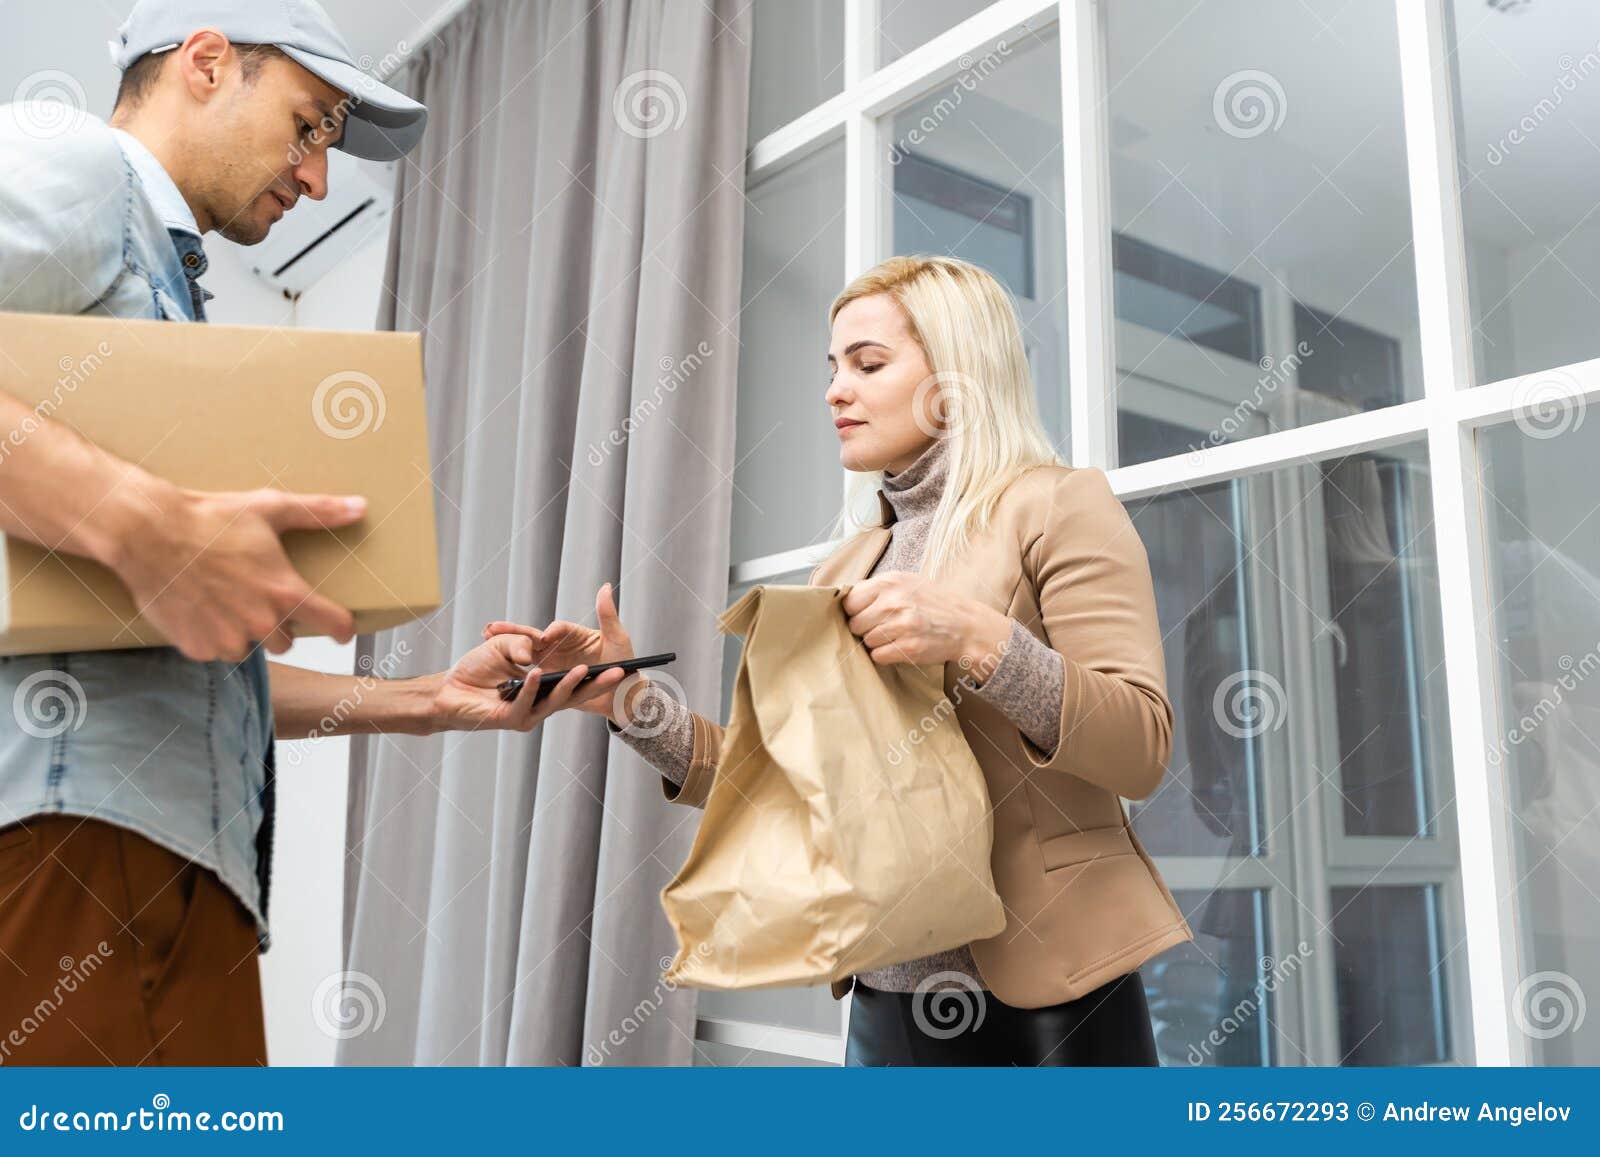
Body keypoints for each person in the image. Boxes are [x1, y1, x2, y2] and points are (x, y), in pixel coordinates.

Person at [0, 0, 626, 1066]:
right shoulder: (81, 166)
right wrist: (150, 524)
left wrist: (429, 703)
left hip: (170, 871)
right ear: (205, 63)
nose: (319, 178)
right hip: (82, 858)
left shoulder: (157, 289)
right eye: (307, 126)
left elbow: (178, 673)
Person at [487, 254, 1194, 1066]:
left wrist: (979, 638)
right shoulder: (847, 565)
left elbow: (1141, 745)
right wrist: (627, 700)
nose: (834, 390)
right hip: (886, 1001)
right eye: (833, 367)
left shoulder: (1059, 504)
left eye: (867, 363)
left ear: (957, 374)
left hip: (1051, 996)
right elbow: (780, 782)